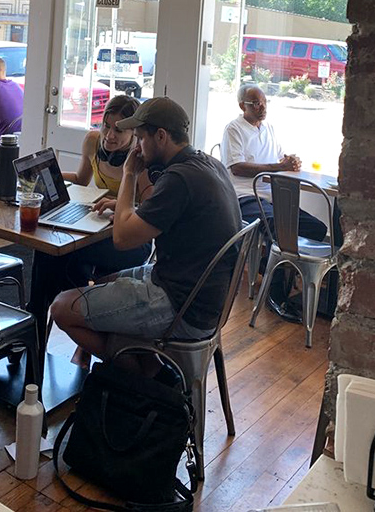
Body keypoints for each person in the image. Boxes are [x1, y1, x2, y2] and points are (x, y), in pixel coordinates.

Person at [51, 97, 242, 364]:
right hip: (204, 298)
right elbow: (163, 211)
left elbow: (122, 238)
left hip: (182, 307)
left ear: (161, 136)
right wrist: (127, 205)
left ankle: (140, 371)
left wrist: (129, 174)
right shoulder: (207, 164)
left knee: (61, 307)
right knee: (103, 282)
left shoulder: (178, 179)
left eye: (140, 138)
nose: (137, 147)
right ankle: (138, 359)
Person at [29, 95, 154, 365]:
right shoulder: (92, 142)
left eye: (118, 130)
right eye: (106, 126)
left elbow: (149, 209)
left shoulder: (140, 158)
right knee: (52, 250)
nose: (109, 135)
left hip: (130, 239)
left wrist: (120, 203)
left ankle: (47, 322)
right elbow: (82, 179)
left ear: (134, 132)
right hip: (98, 226)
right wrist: (48, 174)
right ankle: (55, 321)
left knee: (59, 255)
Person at [220, 83, 327, 320]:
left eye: (264, 102)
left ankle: (272, 268)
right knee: (281, 230)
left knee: (317, 228)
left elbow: (279, 158)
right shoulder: (234, 129)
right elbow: (237, 167)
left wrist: (290, 161)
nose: (262, 107)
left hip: (272, 196)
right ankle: (275, 294)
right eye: (256, 104)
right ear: (242, 106)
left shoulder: (268, 128)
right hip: (245, 196)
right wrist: (279, 166)